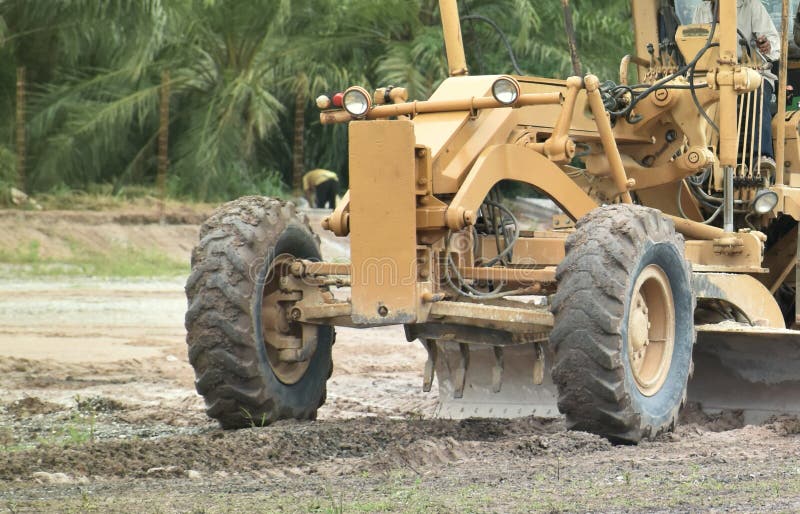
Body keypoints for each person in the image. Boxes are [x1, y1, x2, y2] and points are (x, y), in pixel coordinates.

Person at [694, 0, 780, 175]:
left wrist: (766, 45)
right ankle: (697, 154)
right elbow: (694, 42)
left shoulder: (751, 6)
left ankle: (762, 158)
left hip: (750, 71)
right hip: (711, 74)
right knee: (689, 97)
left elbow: (773, 43)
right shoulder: (701, 9)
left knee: (757, 91)